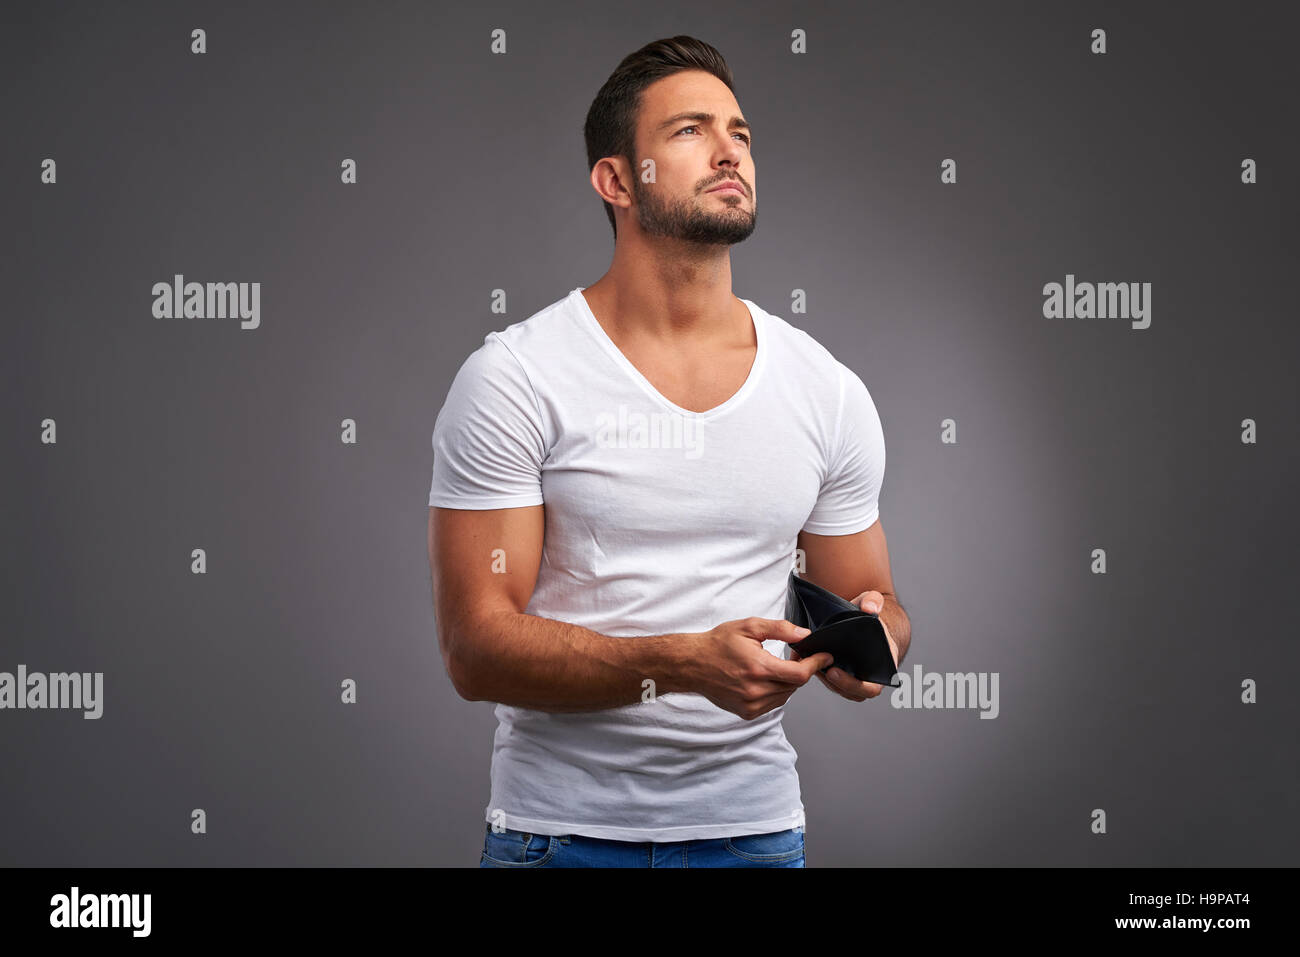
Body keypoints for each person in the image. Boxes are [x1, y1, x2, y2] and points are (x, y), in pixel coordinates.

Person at [426, 35, 910, 868]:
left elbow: (873, 599)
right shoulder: (515, 378)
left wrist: (872, 641)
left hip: (757, 836)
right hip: (560, 840)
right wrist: (683, 665)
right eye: (689, 131)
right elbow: (475, 647)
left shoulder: (826, 389)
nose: (730, 151)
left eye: (741, 134)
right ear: (617, 180)